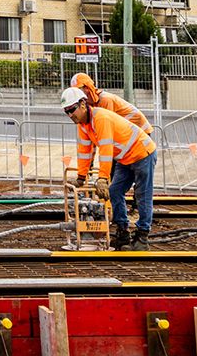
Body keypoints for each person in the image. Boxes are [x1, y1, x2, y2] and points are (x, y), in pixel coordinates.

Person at [64, 85, 157, 250]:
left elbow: (106, 149)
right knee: (114, 191)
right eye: (67, 112)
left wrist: (102, 177)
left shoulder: (101, 118)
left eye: (72, 109)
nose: (71, 115)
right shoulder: (83, 126)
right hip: (125, 157)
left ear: (83, 104)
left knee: (143, 195)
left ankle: (142, 237)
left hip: (142, 153)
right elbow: (85, 152)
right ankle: (123, 232)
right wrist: (81, 177)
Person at [70, 71, 150, 131]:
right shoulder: (90, 103)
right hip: (129, 130)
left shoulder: (105, 100)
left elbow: (108, 126)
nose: (76, 93)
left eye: (78, 89)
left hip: (139, 128)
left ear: (87, 88)